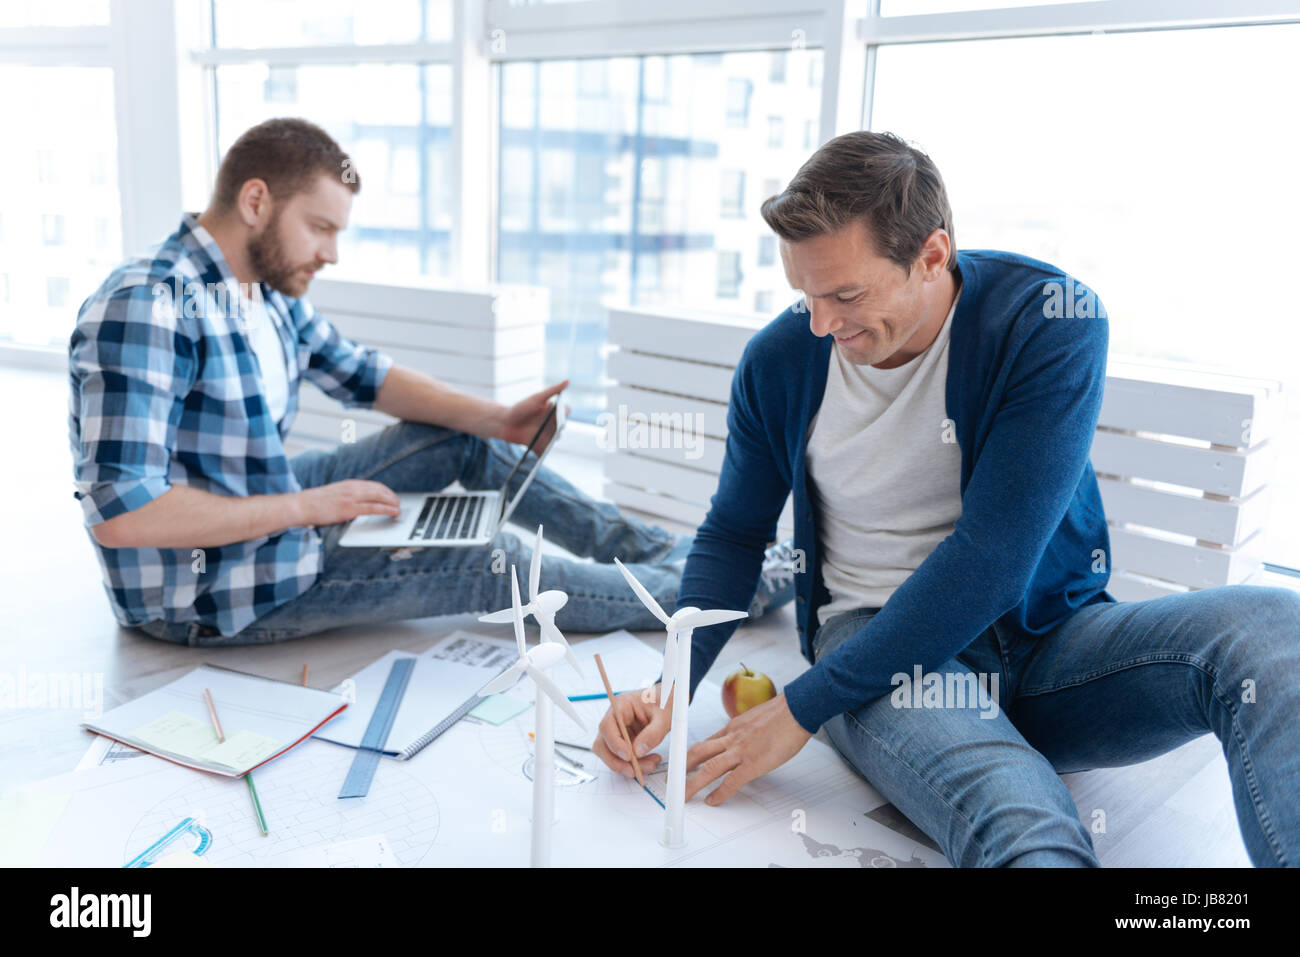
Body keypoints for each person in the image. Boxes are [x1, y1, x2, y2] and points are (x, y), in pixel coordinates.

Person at [592, 130, 1300, 867]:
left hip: (1049, 644)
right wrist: (669, 686)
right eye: (804, 294)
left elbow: (992, 558)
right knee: (1021, 819)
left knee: (1273, 624)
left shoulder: (1048, 321)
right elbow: (735, 535)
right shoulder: (778, 363)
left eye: (845, 294)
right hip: (878, 653)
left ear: (932, 255)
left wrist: (801, 706)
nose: (821, 324)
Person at [68, 117, 794, 647]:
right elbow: (126, 512)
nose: (332, 253)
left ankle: (668, 552)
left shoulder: (264, 291)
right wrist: (306, 507)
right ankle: (711, 592)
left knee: (465, 443)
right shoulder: (147, 304)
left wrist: (498, 419)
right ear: (255, 201)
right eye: (321, 227)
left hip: (263, 497)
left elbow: (368, 376)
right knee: (481, 559)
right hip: (205, 591)